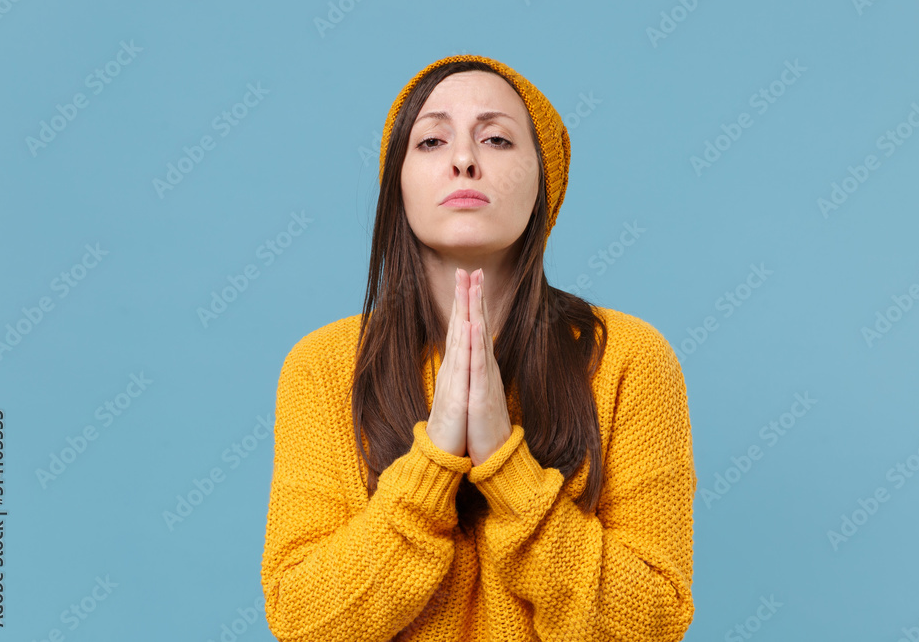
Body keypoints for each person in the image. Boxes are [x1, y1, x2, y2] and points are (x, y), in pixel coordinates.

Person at [260, 54, 697, 641]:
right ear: (398, 183)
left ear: (547, 179)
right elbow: (303, 622)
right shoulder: (322, 366)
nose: (464, 160)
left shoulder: (628, 358)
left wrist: (505, 466)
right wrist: (435, 460)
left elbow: (653, 624)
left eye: (495, 139)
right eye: (432, 141)